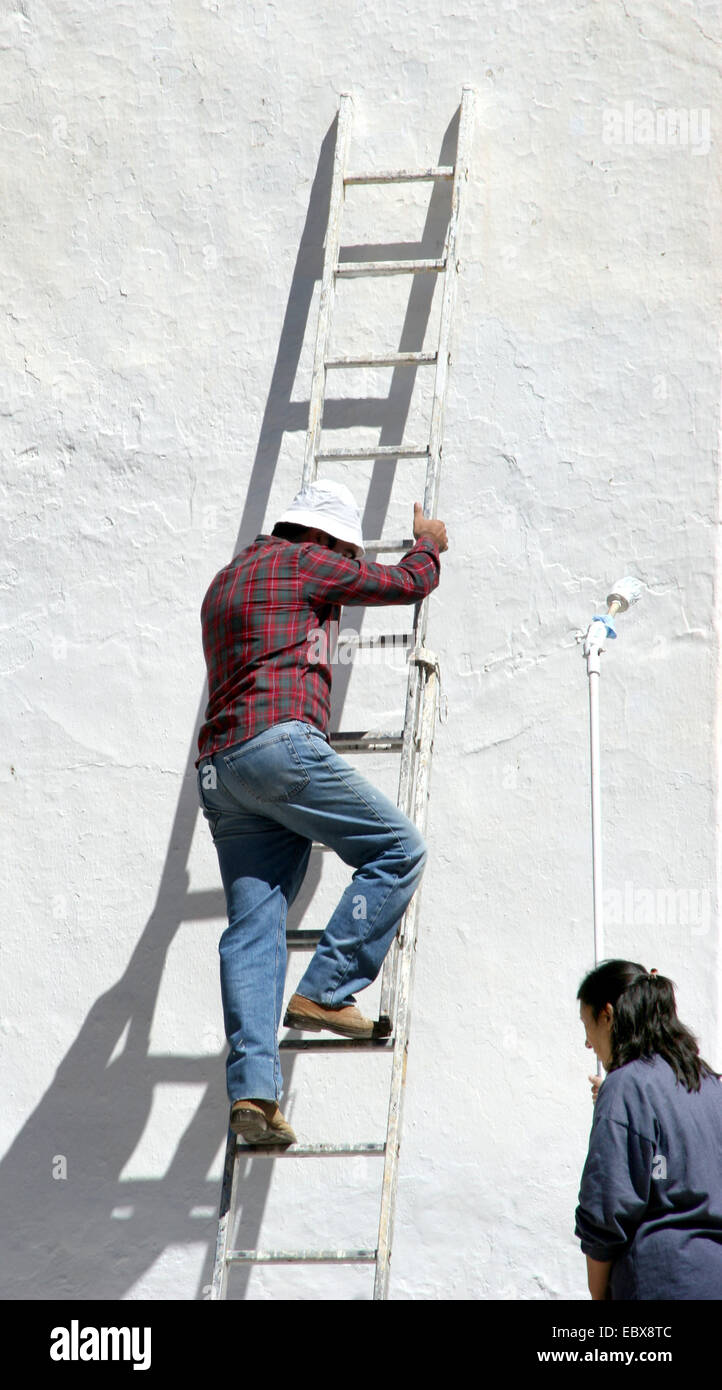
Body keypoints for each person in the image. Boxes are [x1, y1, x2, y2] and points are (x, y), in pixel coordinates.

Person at [195, 478, 447, 1146]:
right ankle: (327, 988)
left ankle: (252, 1094)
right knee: (398, 849)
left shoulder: (225, 580)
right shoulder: (307, 560)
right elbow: (403, 585)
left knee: (252, 929)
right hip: (278, 749)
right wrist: (427, 547)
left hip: (220, 773)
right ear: (327, 538)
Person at [575, 958, 722, 1300]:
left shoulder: (626, 1086)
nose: (588, 1043)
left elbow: (606, 1208)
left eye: (587, 1027)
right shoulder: (711, 1086)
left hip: (661, 1282)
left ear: (607, 1015)